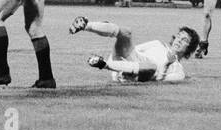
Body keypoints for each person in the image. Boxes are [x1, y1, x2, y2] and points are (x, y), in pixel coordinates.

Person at [69, 15, 197, 83]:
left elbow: (159, 80)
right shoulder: (158, 44)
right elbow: (133, 49)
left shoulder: (179, 71)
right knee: (127, 32)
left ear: (189, 48)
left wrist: (167, 64)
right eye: (179, 36)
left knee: (151, 66)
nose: (179, 40)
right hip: (124, 65)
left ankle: (103, 64)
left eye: (185, 40)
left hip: (137, 75)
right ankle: (86, 25)